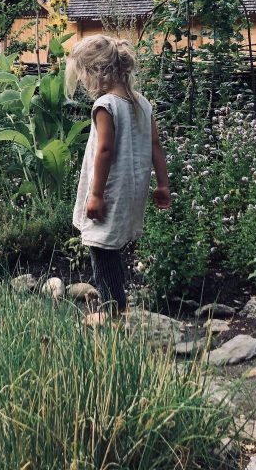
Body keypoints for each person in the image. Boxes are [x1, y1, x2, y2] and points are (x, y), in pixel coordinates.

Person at [64, 34, 171, 325]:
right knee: (112, 245)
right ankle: (118, 303)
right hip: (132, 189)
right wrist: (163, 184)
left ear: (97, 72)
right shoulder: (141, 103)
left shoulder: (106, 105)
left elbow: (105, 150)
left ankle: (113, 310)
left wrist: (95, 194)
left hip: (110, 189)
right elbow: (156, 145)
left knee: (101, 248)